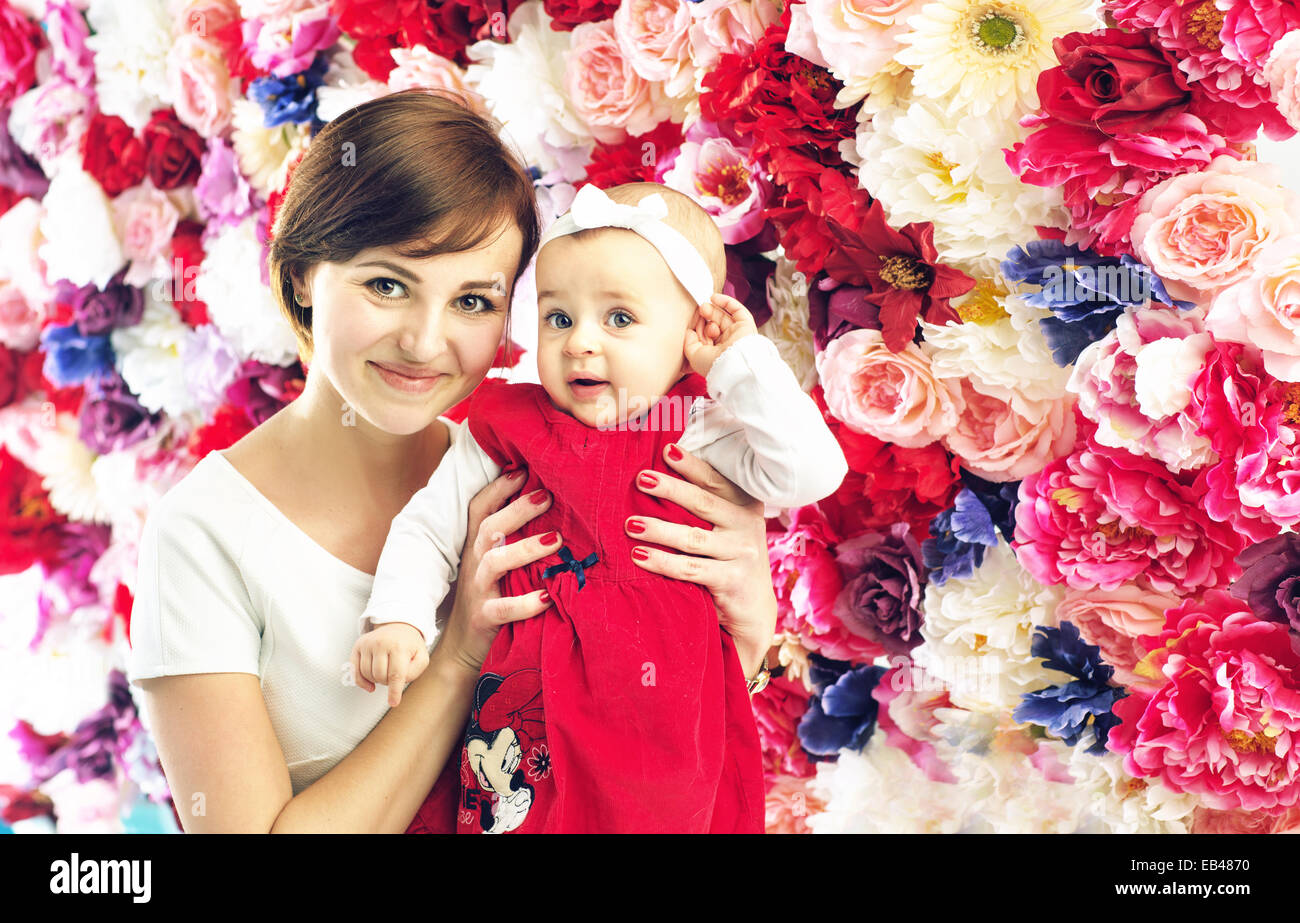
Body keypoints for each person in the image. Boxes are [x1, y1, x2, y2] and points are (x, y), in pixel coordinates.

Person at [124, 89, 782, 834]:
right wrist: (457, 657)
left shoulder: (531, 469)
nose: (425, 341)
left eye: (473, 301)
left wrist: (749, 632)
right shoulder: (202, 534)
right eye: (386, 284)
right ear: (307, 272)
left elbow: (630, 758)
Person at [350, 181, 848, 833]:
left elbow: (812, 472)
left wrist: (739, 362)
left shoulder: (700, 425)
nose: (581, 342)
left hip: (667, 724)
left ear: (693, 330)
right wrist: (398, 619)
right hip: (532, 706)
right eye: (560, 317)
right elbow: (428, 526)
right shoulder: (509, 427)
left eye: (618, 319)